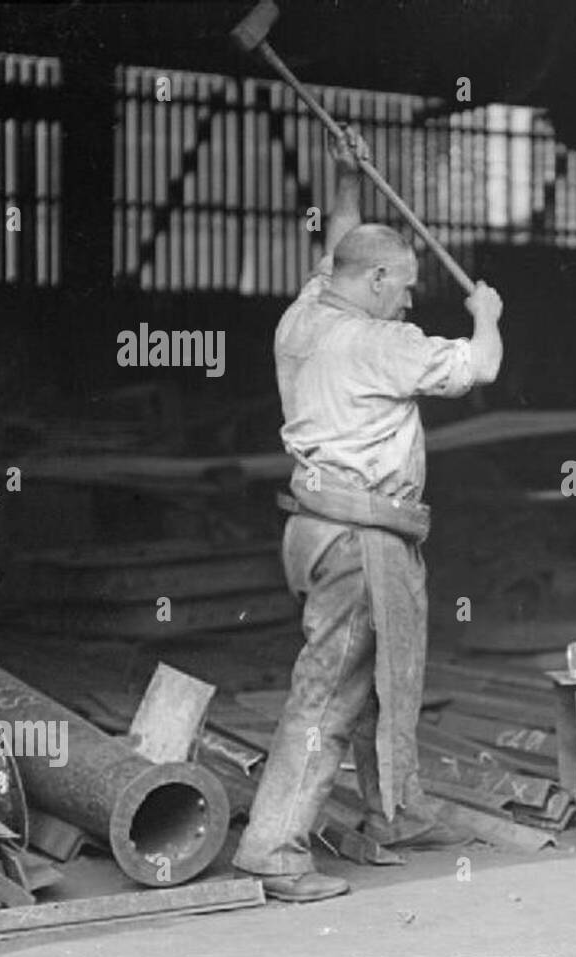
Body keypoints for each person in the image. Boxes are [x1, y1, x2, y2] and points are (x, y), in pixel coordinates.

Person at [232, 127, 505, 901]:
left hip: (315, 527)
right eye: (406, 283)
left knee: (368, 680)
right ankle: (274, 848)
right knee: (330, 689)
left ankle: (392, 810)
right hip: (361, 536)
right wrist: (484, 312)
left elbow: (337, 252)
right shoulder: (383, 341)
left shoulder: (305, 317)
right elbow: (480, 367)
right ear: (381, 279)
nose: (412, 296)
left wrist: (346, 178)